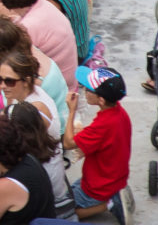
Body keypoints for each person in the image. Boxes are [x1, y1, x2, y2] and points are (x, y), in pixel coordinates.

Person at [65, 67, 131, 220]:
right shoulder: (120, 112)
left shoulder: (102, 125)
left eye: (87, 89)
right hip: (114, 178)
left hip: (98, 187)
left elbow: (68, 143)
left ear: (101, 99)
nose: (83, 91)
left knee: (62, 214)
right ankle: (115, 196)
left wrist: (71, 111)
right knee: (64, 195)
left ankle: (109, 204)